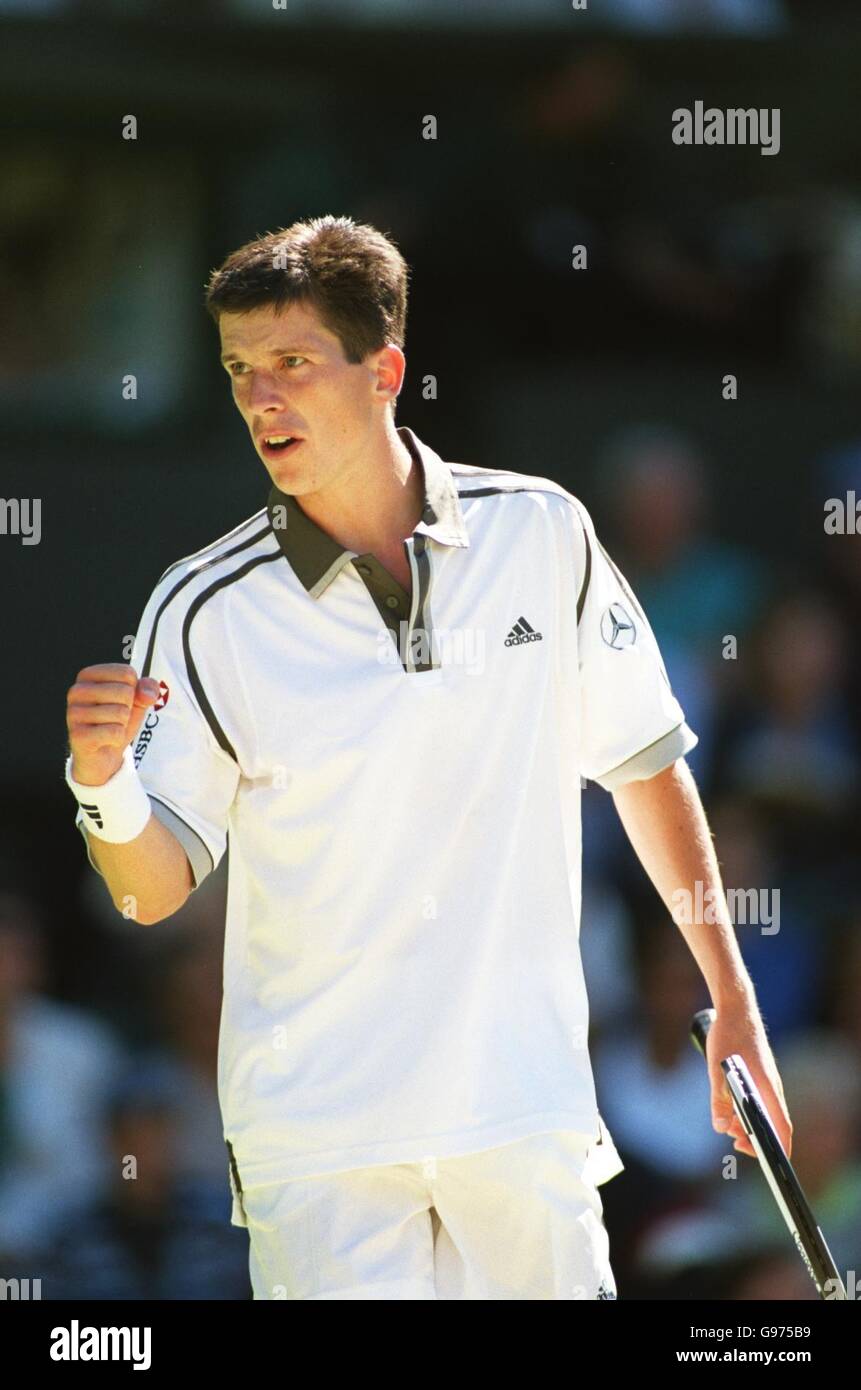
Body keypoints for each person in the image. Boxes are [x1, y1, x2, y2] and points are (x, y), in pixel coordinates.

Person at [64, 214, 792, 1301]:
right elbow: (149, 888)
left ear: (385, 370)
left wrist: (732, 994)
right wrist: (101, 783)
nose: (262, 397)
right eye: (239, 370)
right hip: (318, 1150)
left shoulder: (545, 532)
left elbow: (646, 766)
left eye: (293, 364)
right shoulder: (200, 606)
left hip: (525, 1116)